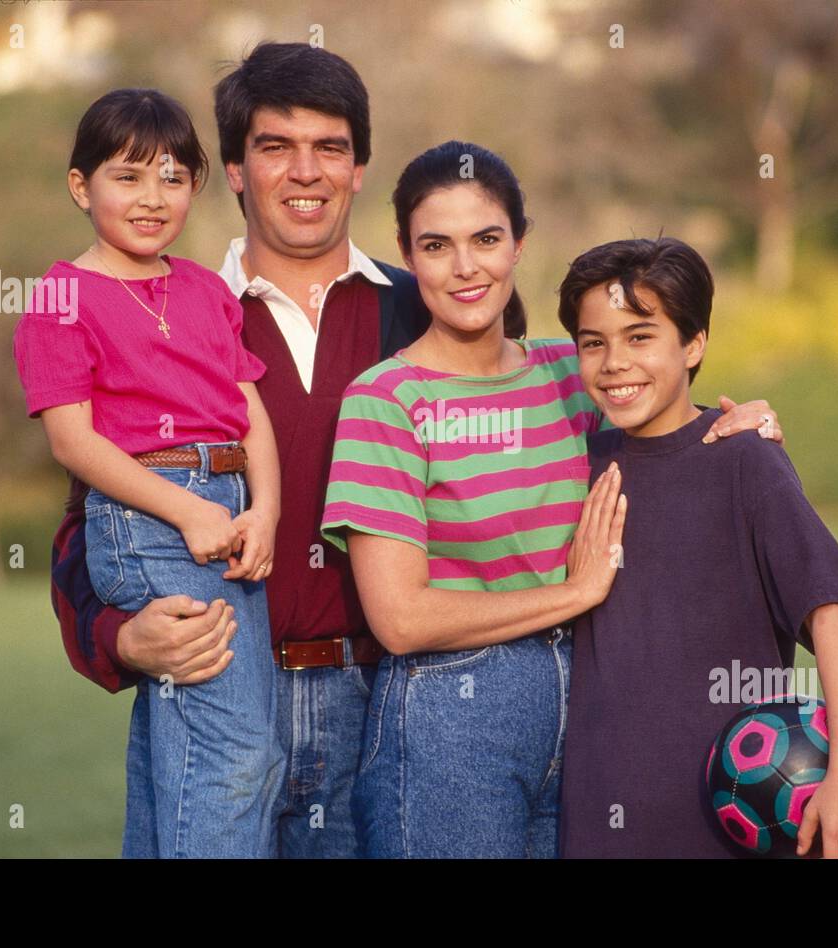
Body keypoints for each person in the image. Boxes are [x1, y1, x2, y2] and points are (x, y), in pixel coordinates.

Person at [48, 43, 780, 858]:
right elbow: (94, 512)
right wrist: (116, 636)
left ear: (359, 167)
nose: (305, 172)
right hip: (225, 684)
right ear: (232, 169)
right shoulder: (175, 316)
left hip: (391, 701)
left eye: (330, 147)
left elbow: (586, 410)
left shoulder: (436, 305)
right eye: (275, 147)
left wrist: (720, 421)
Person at [320, 142, 786, 858]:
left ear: (519, 244)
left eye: (486, 239)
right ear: (408, 257)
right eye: (436, 245)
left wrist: (744, 423)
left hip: (594, 713)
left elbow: (664, 421)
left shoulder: (574, 372)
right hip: (452, 722)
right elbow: (401, 619)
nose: (465, 266)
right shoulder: (384, 402)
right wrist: (577, 593)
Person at [13, 88, 285, 857]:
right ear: (81, 187)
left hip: (227, 507)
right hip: (151, 518)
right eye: (127, 176)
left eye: (173, 177)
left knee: (193, 743)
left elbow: (248, 410)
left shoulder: (203, 289)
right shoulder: (64, 295)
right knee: (236, 754)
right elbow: (74, 442)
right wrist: (187, 511)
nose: (152, 197)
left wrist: (263, 510)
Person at [554, 237, 838, 858]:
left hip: (734, 816)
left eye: (641, 336)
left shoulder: (744, 459)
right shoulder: (577, 466)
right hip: (599, 817)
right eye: (594, 342)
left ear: (694, 343)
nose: (614, 362)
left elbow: (832, 614)